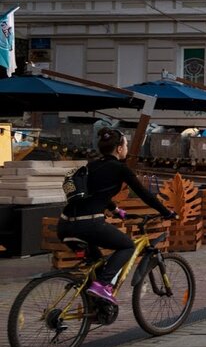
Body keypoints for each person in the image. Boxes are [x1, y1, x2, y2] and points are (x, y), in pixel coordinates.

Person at [59, 127, 175, 305]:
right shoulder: (120, 169)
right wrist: (166, 212)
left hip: (65, 225)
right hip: (89, 224)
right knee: (127, 246)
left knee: (97, 263)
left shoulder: (91, 166)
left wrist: (115, 210)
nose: (126, 149)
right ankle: (103, 286)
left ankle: (96, 307)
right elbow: (145, 194)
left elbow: (96, 194)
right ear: (119, 149)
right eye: (126, 145)